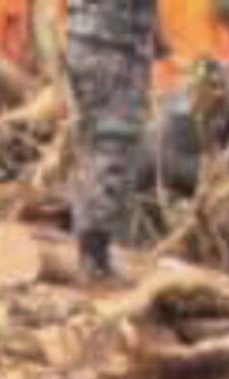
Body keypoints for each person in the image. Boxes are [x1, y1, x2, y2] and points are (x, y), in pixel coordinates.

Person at [63, 0, 159, 276]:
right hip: (110, 45)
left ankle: (94, 249)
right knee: (112, 142)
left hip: (102, 40)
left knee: (99, 143)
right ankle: (92, 254)